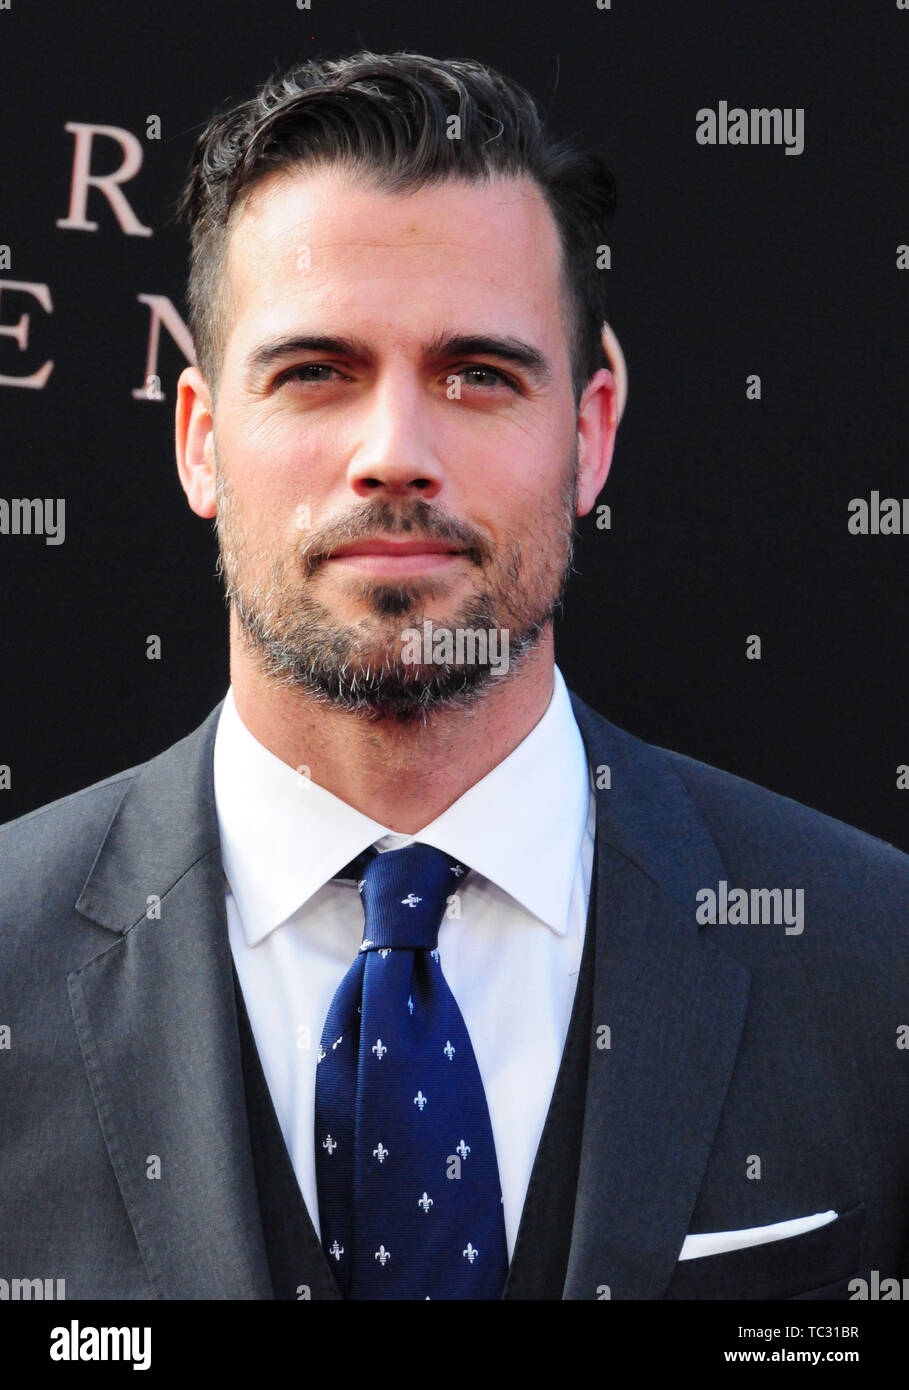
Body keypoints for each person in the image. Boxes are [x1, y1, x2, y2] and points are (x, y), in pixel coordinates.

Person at [1, 50, 907, 1302]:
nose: (394, 453)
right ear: (201, 440)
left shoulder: (874, 963)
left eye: (478, 375)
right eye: (316, 371)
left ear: (588, 435)